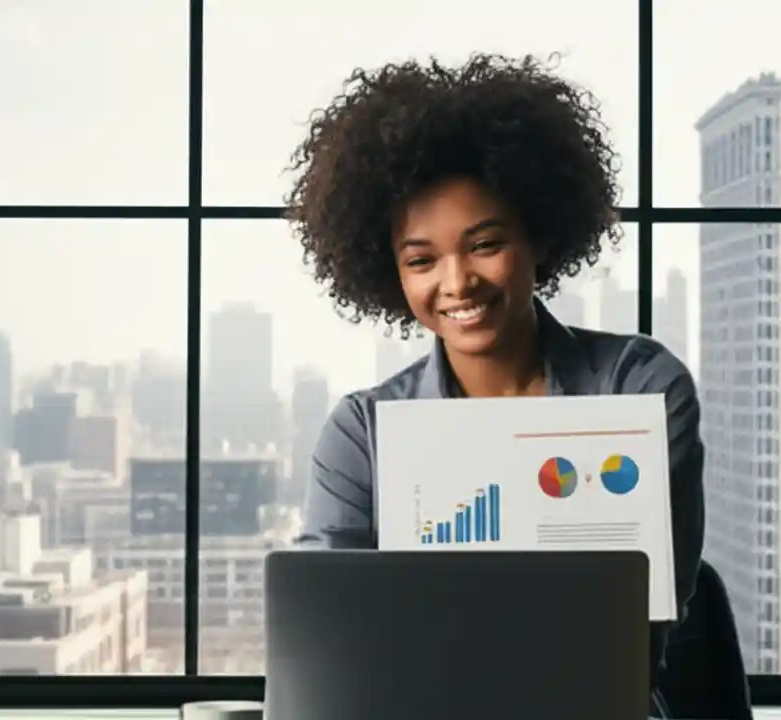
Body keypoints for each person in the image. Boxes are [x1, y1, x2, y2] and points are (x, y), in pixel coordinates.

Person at [284, 53, 705, 718]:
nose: (457, 283)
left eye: (484, 244)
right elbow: (330, 644)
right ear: (390, 272)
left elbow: (644, 621)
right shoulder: (361, 433)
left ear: (537, 236)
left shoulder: (641, 388)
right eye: (421, 260)